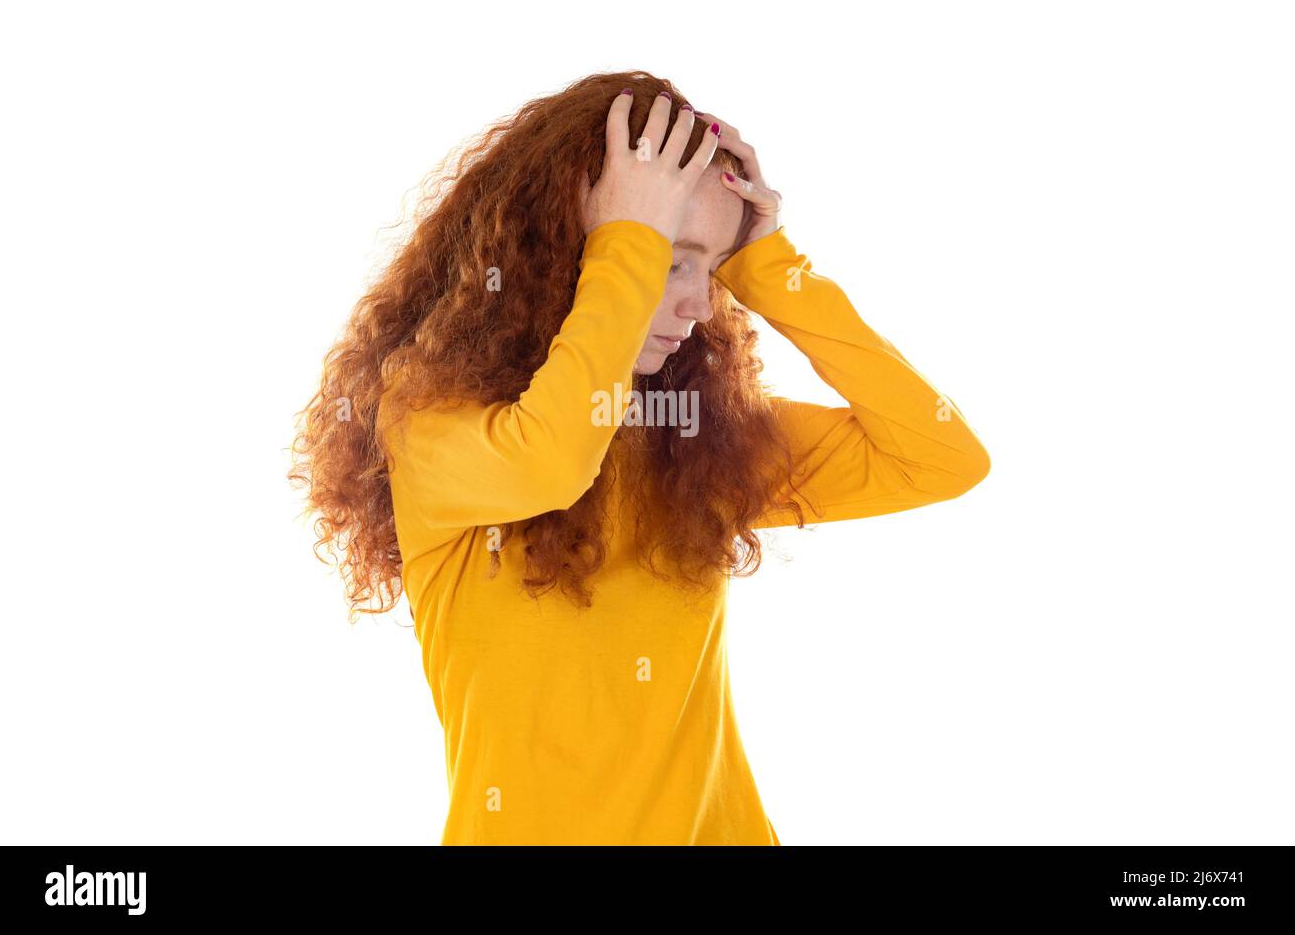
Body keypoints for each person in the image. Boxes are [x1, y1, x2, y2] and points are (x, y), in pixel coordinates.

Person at [290, 71, 990, 845]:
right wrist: (631, 240)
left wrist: (766, 262)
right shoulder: (429, 431)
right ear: (567, 253)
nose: (698, 303)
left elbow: (940, 454)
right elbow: (552, 461)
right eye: (664, 260)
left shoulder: (699, 441)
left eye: (710, 267)